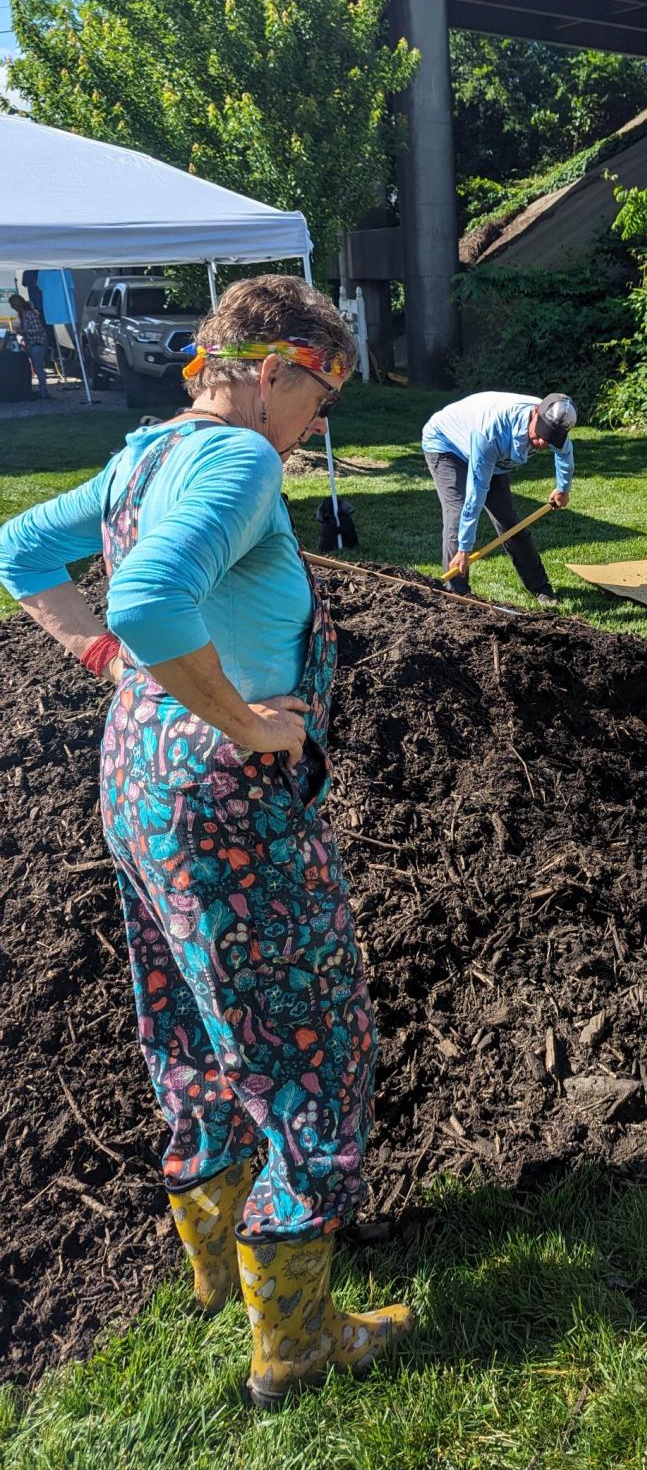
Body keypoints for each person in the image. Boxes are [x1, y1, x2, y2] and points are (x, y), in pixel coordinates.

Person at [0, 274, 414, 1409]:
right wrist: (238, 717)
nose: (318, 426)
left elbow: (22, 550)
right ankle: (295, 1342)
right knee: (311, 1042)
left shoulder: (146, 453)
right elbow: (146, 597)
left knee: (185, 1014)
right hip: (223, 793)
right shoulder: (237, 460)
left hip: (138, 775)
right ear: (276, 370)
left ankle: (209, 1265)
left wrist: (106, 671)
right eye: (321, 400)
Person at [422, 389, 577, 603]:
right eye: (540, 434)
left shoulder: (556, 421)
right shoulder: (492, 431)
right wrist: (465, 547)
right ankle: (456, 594)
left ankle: (542, 589)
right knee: (457, 515)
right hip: (446, 445)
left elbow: (565, 454)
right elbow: (475, 494)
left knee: (510, 524)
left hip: (492, 457)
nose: (542, 442)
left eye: (549, 438)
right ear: (534, 414)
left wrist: (563, 488)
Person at [9, 292, 51, 398]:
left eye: (13, 306)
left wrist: (23, 330)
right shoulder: (23, 315)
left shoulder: (30, 314)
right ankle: (42, 390)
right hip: (31, 344)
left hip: (38, 343)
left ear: (17, 305)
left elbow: (38, 329)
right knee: (36, 368)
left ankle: (44, 391)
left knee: (38, 368)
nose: (13, 308)